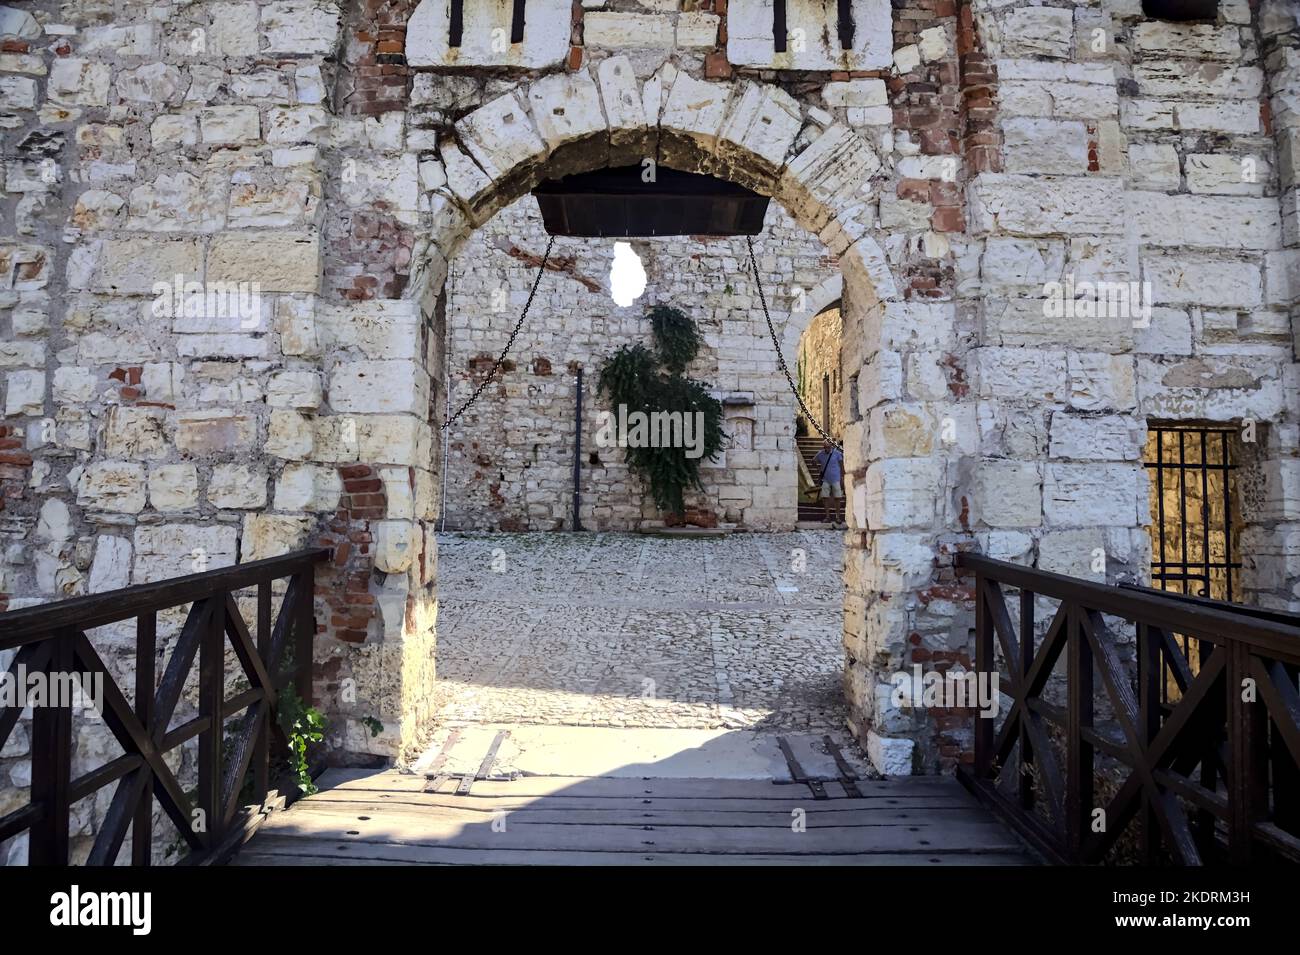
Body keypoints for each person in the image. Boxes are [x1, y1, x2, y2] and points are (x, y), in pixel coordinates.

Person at [813, 439, 844, 528]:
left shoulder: (837, 454)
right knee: (825, 498)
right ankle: (828, 516)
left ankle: (838, 517)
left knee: (837, 498)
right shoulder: (821, 453)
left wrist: (842, 477)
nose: (826, 449)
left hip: (836, 479)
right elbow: (813, 461)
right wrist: (819, 469)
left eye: (828, 447)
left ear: (831, 446)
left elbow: (841, 465)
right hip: (825, 479)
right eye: (825, 447)